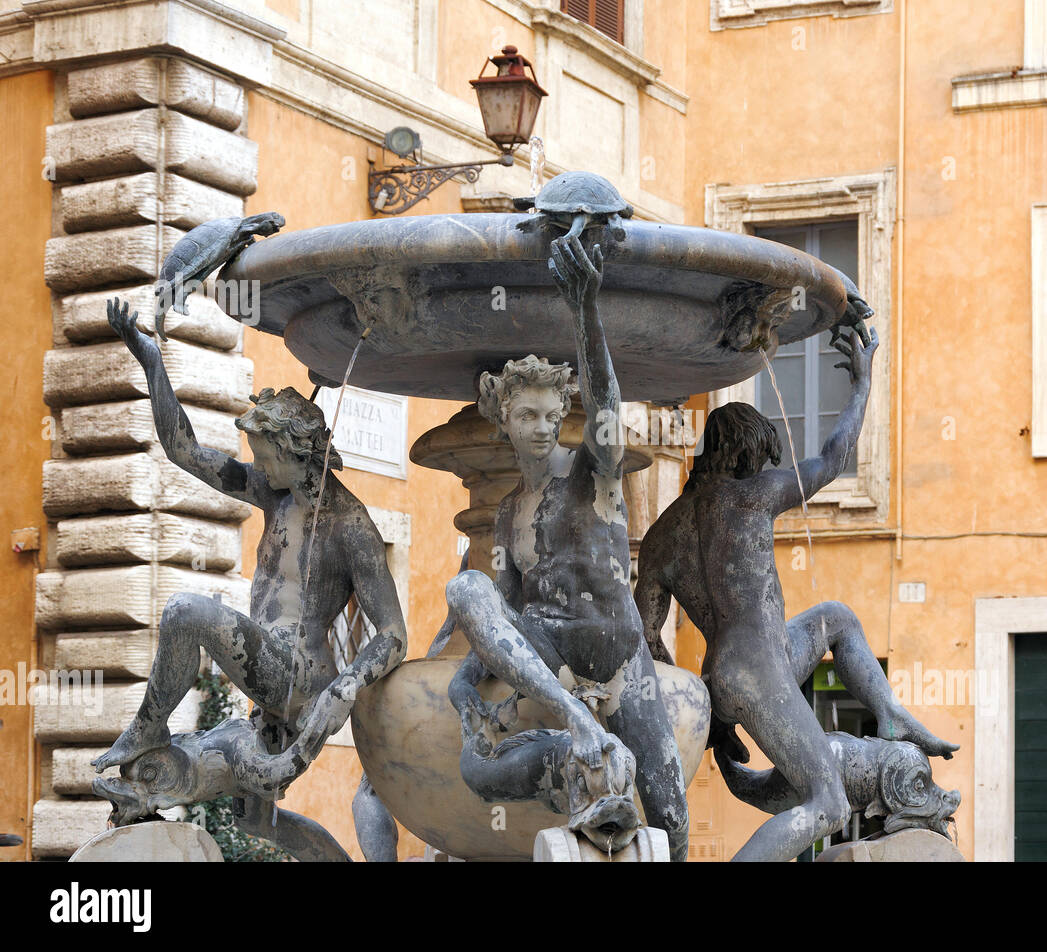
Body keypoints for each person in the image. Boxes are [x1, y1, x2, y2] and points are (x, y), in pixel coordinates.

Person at [634, 295, 958, 862]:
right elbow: (835, 457)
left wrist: (703, 705)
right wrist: (861, 383)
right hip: (762, 669)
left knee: (837, 618)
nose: (765, 470)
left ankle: (887, 712)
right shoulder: (752, 497)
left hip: (732, 669)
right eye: (761, 460)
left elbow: (646, 632)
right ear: (744, 458)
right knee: (828, 802)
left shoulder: (663, 534)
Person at [93, 298, 407, 851]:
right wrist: (151, 362)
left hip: (301, 677)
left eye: (266, 455)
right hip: (266, 684)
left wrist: (344, 688)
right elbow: (183, 449)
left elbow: (393, 634)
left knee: (187, 612)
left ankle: (147, 725)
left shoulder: (350, 525)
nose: (257, 467)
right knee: (256, 820)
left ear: (300, 453)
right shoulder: (274, 492)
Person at [444, 233, 690, 861]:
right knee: (467, 587)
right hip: (551, 659)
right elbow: (498, 610)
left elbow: (607, 408)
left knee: (670, 816)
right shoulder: (507, 514)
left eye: (552, 416)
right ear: (502, 419)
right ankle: (575, 730)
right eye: (526, 416)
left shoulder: (590, 474)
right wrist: (465, 681)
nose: (542, 428)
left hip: (621, 660)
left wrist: (586, 310)